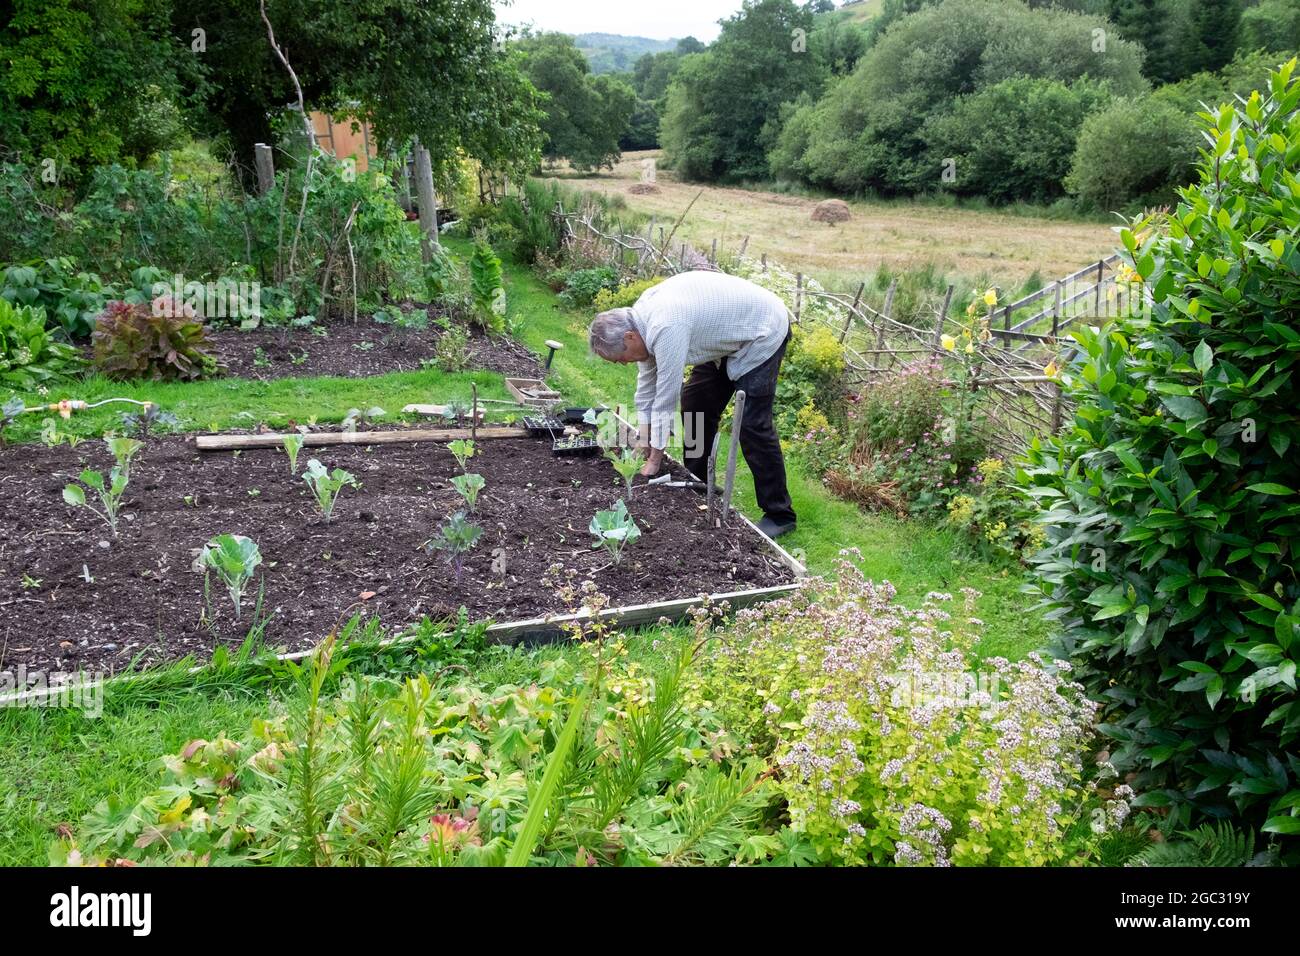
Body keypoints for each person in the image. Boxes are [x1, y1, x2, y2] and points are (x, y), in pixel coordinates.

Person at [587, 270, 797, 538]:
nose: (624, 363)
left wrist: (654, 459)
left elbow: (665, 397)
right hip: (724, 337)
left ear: (630, 338)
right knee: (697, 403)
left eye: (621, 358)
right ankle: (698, 480)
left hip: (761, 330)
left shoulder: (665, 326)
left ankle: (780, 514)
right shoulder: (640, 319)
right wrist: (643, 437)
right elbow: (646, 387)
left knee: (752, 424)